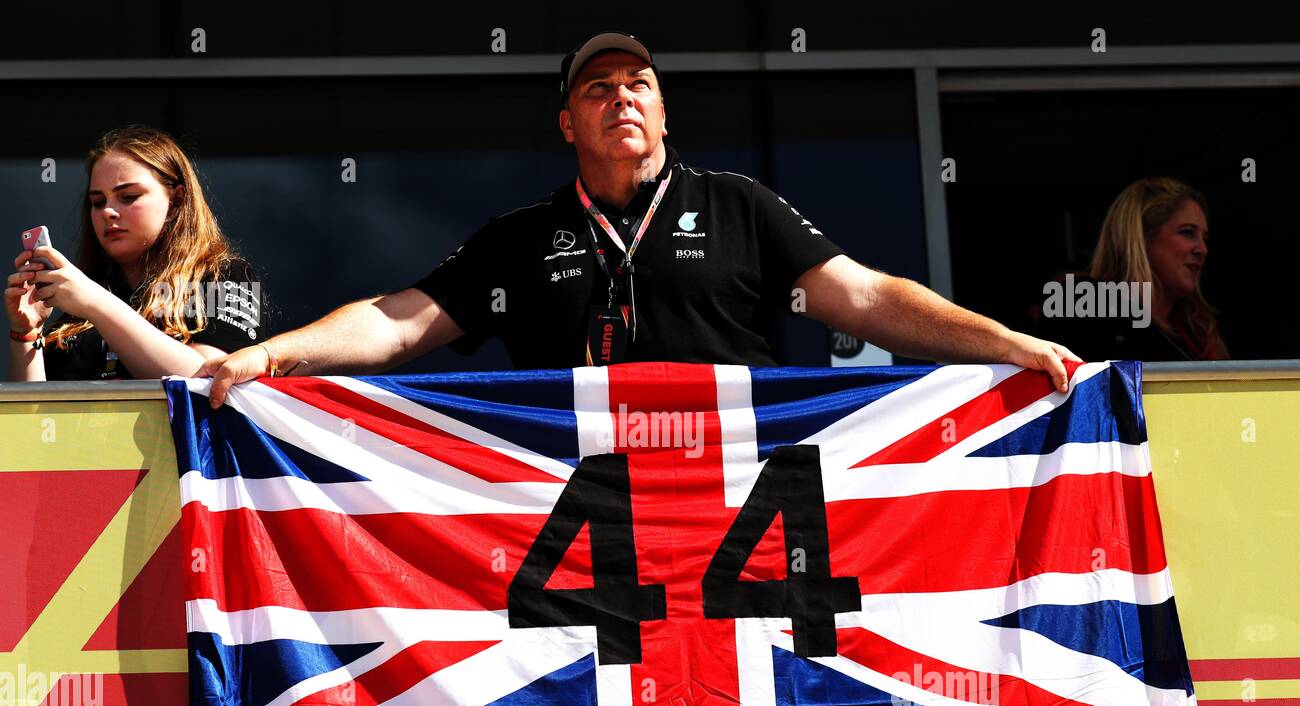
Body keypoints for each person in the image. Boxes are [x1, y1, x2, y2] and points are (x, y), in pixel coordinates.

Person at [199, 31, 1079, 408]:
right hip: (579, 522)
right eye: (598, 89)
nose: (621, 97)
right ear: (567, 125)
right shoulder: (519, 237)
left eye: (638, 86)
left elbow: (868, 297)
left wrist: (1004, 343)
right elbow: (397, 326)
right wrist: (276, 354)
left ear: (663, 115)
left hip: (733, 504)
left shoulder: (738, 204)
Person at [6, 126, 267, 381]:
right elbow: (35, 416)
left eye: (128, 196)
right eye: (97, 202)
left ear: (176, 202)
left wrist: (95, 303)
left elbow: (208, 378)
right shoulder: (79, 303)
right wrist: (27, 333)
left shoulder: (223, 275)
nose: (108, 211)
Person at [1034, 178, 1228, 361]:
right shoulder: (1085, 304)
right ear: (1141, 237)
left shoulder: (1199, 333)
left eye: (1205, 238)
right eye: (1187, 232)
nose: (1202, 249)